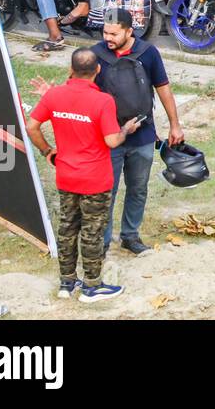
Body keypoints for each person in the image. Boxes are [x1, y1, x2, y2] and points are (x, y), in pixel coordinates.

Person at [25, 48, 136, 303]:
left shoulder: (54, 95)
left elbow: (32, 126)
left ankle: (66, 283)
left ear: (70, 70)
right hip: (95, 179)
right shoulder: (103, 101)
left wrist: (47, 151)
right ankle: (92, 286)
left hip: (66, 175)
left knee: (67, 228)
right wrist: (126, 130)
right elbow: (111, 141)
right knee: (92, 232)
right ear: (97, 71)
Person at [91, 8, 183, 255]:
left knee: (138, 187)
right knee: (105, 191)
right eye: (105, 32)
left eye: (114, 33)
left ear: (129, 31)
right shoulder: (95, 55)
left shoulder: (148, 52)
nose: (107, 38)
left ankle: (130, 236)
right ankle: (103, 240)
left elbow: (163, 87)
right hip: (108, 138)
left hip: (142, 135)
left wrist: (175, 124)